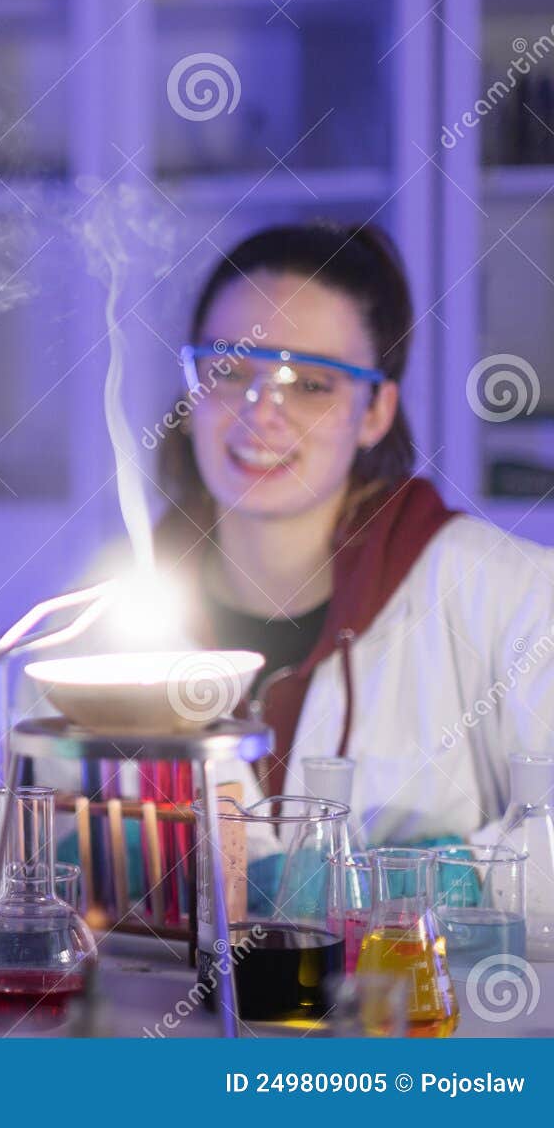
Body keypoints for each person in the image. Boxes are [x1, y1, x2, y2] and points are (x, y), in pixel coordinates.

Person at [39, 222, 554, 854]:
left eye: (310, 384)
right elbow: (32, 815)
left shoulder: (508, 594)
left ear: (375, 411)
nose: (260, 412)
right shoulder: (102, 608)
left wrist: (440, 876)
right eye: (229, 371)